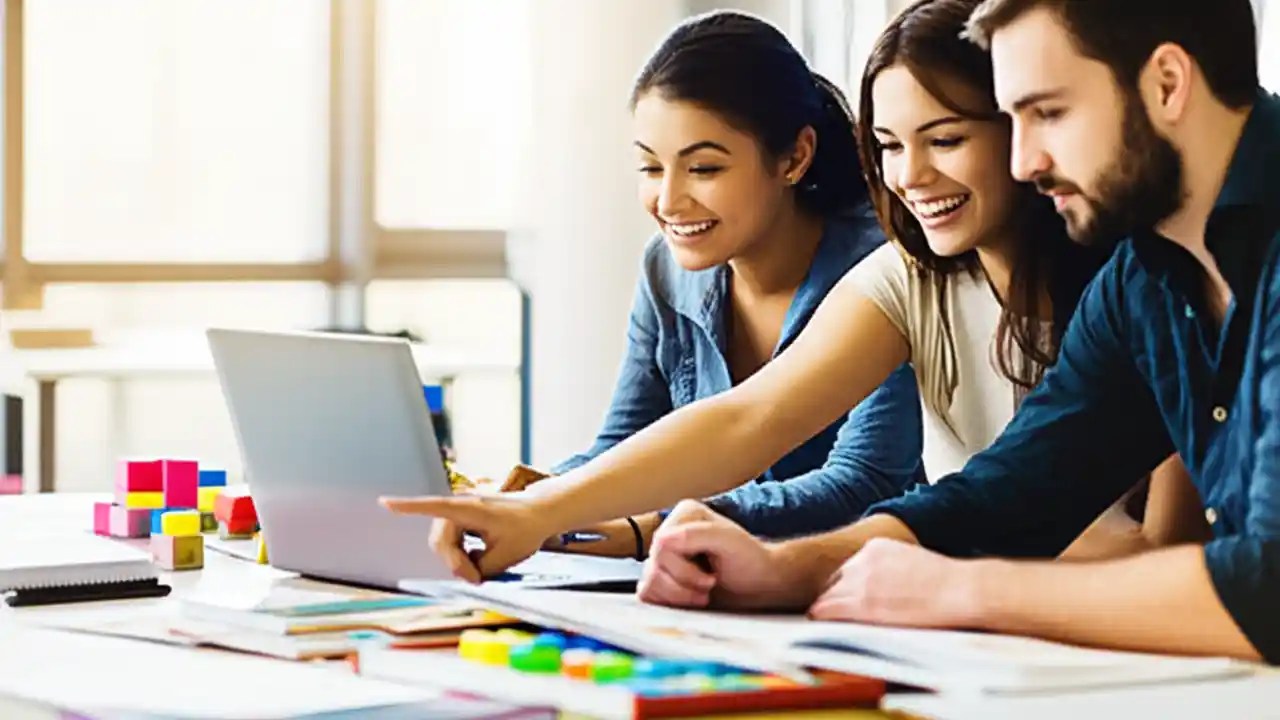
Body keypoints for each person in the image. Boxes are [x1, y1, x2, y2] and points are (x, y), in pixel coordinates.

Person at [382, 0, 1201, 581]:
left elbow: (1168, 552)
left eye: (946, 139)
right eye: (889, 146)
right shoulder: (908, 276)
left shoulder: (1143, 284)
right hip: (975, 627)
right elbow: (750, 418)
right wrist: (539, 510)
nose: (911, 176)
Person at [639, 0, 1280, 663]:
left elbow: (1267, 587)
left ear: (1167, 84)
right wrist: (786, 570)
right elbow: (1005, 496)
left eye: (1049, 113)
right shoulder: (1144, 274)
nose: (1024, 162)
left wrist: (964, 590)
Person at [465, 11, 927, 557]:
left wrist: (651, 528)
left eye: (703, 169)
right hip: (711, 576)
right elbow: (621, 448)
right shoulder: (666, 271)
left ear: (794, 158)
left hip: (860, 576)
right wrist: (527, 501)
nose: (668, 201)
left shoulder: (886, 266)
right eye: (650, 168)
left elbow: (863, 485)